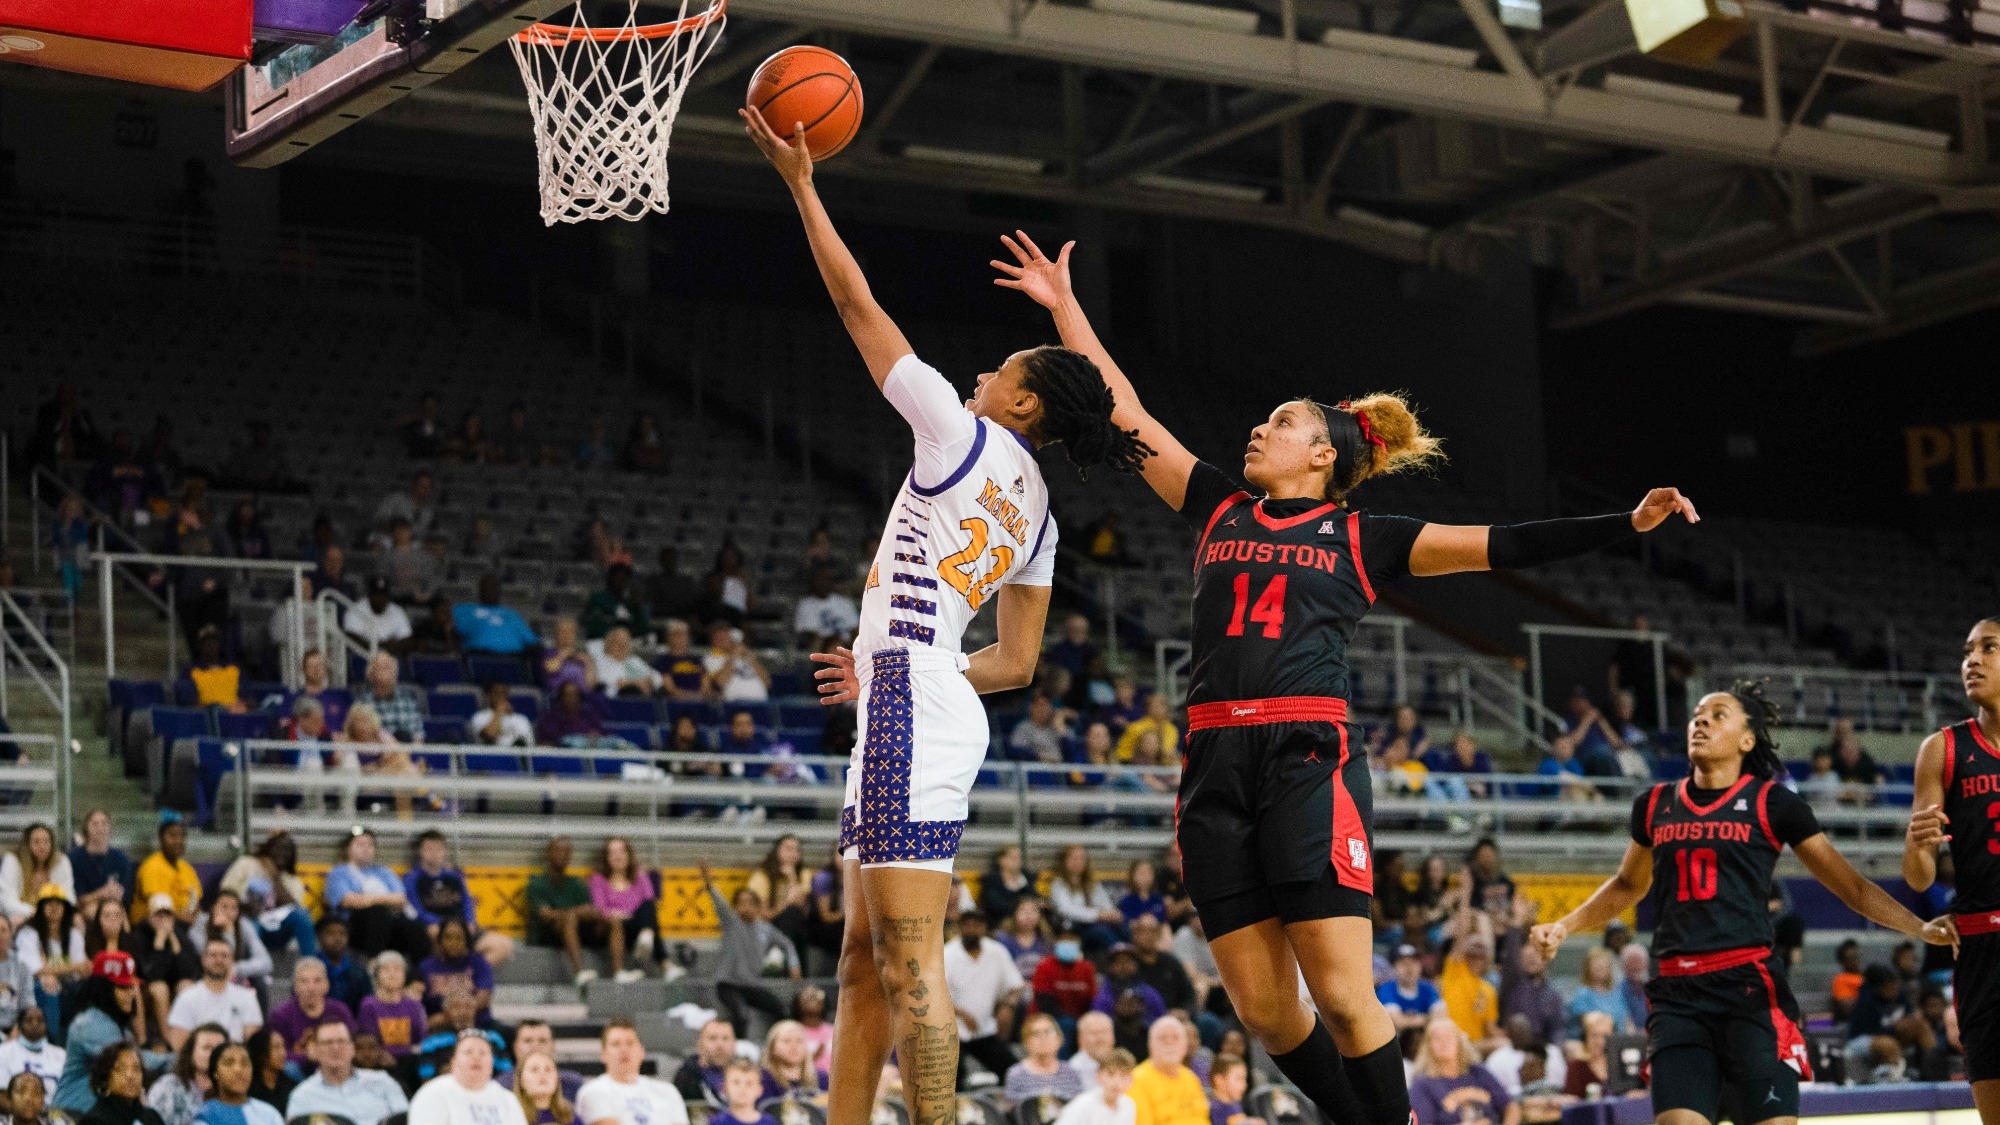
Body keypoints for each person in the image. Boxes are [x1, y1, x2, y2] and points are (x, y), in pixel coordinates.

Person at [1000, 228, 1709, 1125]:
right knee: (1264, 1011)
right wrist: (1065, 307)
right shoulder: (1216, 500)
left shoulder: (1366, 537)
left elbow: (1507, 545)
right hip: (1213, 759)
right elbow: (1120, 406)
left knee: (1340, 994)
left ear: (1324, 455)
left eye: (1282, 422)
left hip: (1307, 754)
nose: (1260, 427)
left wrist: (1626, 521)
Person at [741, 104, 1141, 1125]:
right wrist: (901, 667)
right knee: (865, 961)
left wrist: (801, 185)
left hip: (914, 705)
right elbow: (1012, 663)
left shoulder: (957, 439)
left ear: (1020, 405)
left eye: (998, 371)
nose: (978, 375)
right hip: (923, 698)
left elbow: (851, 301)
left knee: (910, 968)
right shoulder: (1040, 513)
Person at [1533, 680, 1953, 1125]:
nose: (1701, 722)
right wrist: (1565, 924)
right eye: (1697, 715)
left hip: (1749, 989)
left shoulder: (1773, 804)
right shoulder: (1654, 804)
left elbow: (1852, 887)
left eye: (1717, 716)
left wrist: (1919, 927)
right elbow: (1625, 886)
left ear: (1747, 739)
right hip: (1678, 994)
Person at [1904, 616, 2000, 1120]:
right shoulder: (1942, 748)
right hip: (1981, 945)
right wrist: (1918, 846)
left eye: (1988, 648)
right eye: (1967, 651)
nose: (1972, 661)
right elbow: (1919, 877)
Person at [697, 863, 795, 1035]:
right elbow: (719, 902)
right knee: (741, 1015)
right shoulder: (732, 922)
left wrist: (794, 964)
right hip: (728, 985)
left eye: (750, 903)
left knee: (783, 1010)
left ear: (758, 907)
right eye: (741, 903)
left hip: (752, 985)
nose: (746, 907)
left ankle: (776, 1043)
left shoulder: (765, 929)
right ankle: (739, 1048)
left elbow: (786, 943)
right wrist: (709, 883)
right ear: (735, 907)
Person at [55, 956, 158, 1116]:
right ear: (104, 989)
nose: (130, 994)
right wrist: (177, 1059)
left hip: (97, 1114)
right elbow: (128, 1060)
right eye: (122, 988)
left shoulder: (123, 1030)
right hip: (70, 1113)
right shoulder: (88, 1023)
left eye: (131, 987)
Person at [407, 832, 515, 968]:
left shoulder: (455, 877)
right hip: (435, 927)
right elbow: (415, 909)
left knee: (504, 945)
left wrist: (470, 922)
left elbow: (467, 903)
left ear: (444, 851)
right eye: (429, 849)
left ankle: (468, 976)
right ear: (421, 851)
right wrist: (442, 924)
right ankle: (444, 974)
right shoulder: (412, 878)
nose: (434, 853)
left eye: (438, 849)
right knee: (435, 933)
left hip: (462, 926)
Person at [321, 828, 429, 963]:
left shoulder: (384, 872)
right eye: (360, 844)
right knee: (378, 912)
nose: (366, 848)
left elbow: (401, 899)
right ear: (348, 849)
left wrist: (369, 898)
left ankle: (421, 974)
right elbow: (348, 900)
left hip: (388, 923)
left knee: (413, 927)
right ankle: (373, 963)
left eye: (370, 845)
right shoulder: (339, 873)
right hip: (354, 926)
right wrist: (384, 900)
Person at [943, 909, 1025, 1083]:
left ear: (984, 928)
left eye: (977, 925)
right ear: (960, 927)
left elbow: (1016, 986)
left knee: (1013, 1073)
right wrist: (962, 1014)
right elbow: (934, 996)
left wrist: (1007, 1006)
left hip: (985, 1028)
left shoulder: (997, 951)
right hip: (951, 1030)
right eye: (967, 925)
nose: (972, 929)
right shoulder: (947, 954)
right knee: (952, 1080)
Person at [283, 1020, 406, 1125]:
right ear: (316, 1050)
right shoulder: (302, 1096)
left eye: (341, 1041)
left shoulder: (383, 1081)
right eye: (327, 1043)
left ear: (352, 1048)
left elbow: (406, 1119)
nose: (335, 1048)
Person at [526, 838, 606, 987]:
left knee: (610, 920)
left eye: (567, 852)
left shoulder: (575, 883)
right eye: (558, 850)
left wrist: (588, 913)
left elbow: (589, 910)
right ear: (548, 854)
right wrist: (575, 913)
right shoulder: (536, 883)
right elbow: (545, 915)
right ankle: (579, 972)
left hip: (575, 931)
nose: (562, 855)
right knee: (569, 918)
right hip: (546, 934)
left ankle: (618, 973)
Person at [576, 1019, 687, 1125]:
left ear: (642, 1051)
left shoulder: (668, 1091)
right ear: (603, 1054)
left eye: (630, 1043)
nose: (624, 1050)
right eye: (616, 1044)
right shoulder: (593, 1091)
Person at [1407, 1018, 1514, 1125]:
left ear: (1460, 1042)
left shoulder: (1478, 1071)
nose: (1444, 1043)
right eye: (1437, 1038)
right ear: (1428, 1046)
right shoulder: (1422, 1084)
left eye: (1448, 1037)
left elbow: (1510, 1107)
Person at [408, 1034, 528, 1125]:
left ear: (492, 1063)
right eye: (468, 1052)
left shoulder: (507, 1098)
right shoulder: (432, 1093)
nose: (476, 1057)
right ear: (453, 1062)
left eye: (483, 1053)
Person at [166, 941, 261, 1049]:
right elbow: (177, 1045)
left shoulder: (247, 997)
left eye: (224, 956)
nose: (219, 960)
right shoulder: (187, 998)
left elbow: (254, 1043)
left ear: (232, 961)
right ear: (203, 960)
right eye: (213, 955)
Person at [589, 839, 658, 985]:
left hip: (637, 926)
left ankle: (647, 936)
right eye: (613, 853)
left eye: (621, 851)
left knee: (648, 909)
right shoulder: (598, 879)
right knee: (644, 925)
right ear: (606, 858)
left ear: (628, 854)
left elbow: (649, 903)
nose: (618, 856)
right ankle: (665, 963)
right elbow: (600, 909)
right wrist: (615, 914)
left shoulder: (640, 876)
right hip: (612, 928)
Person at [264, 958, 353, 1069]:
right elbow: (276, 1051)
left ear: (327, 985)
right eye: (304, 981)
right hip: (298, 1071)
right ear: (295, 986)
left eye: (317, 981)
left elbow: (351, 1043)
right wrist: (307, 1057)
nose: (311, 987)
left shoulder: (340, 1011)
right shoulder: (280, 1015)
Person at [18, 887, 83, 1035]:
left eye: (59, 904)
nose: (54, 908)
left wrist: (51, 968)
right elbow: (35, 971)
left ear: (66, 909)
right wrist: (70, 968)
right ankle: (51, 1038)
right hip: (35, 990)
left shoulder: (73, 934)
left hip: (69, 988)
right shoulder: (28, 933)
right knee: (48, 983)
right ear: (40, 908)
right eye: (49, 904)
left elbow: (81, 971)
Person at [188, 894, 272, 997]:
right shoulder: (201, 924)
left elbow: (266, 962)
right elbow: (214, 957)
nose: (229, 912)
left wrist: (236, 969)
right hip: (204, 973)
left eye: (234, 908)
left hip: (235, 977)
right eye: (224, 906)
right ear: (213, 907)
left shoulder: (244, 925)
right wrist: (227, 933)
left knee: (259, 981)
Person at [1127, 1018, 1206, 1125]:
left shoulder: (1191, 1078)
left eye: (1175, 1037)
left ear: (1185, 1045)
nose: (1169, 1042)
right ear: (1150, 1045)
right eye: (1163, 1038)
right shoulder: (1136, 1080)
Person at [1048, 846, 1124, 954]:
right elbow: (1066, 910)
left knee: (1123, 926)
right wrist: (1097, 915)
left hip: (1098, 923)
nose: (1078, 862)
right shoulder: (1059, 884)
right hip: (1074, 929)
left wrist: (1112, 913)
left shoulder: (1092, 883)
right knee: (1102, 933)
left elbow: (1105, 902)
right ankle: (1120, 956)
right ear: (1064, 861)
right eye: (1074, 858)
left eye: (1081, 858)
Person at [417, 920, 495, 1024]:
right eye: (448, 937)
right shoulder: (426, 967)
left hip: (476, 1024)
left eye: (459, 938)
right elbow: (419, 1002)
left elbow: (484, 996)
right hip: (439, 1027)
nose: (453, 942)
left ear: (466, 941)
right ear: (440, 940)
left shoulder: (478, 962)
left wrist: (458, 1015)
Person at [144, 1026, 224, 1125]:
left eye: (218, 1049)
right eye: (206, 1048)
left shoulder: (233, 1092)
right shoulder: (168, 1086)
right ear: (191, 1052)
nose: (212, 1054)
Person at [744, 838, 810, 956]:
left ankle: (780, 956)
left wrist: (792, 879)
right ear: (776, 851)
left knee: (794, 915)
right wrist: (786, 902)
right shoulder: (762, 876)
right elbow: (763, 916)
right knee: (791, 915)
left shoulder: (803, 874)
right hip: (765, 925)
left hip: (794, 926)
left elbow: (803, 911)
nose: (793, 853)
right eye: (788, 848)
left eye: (796, 850)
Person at [355, 951, 426, 1060]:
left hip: (412, 1061)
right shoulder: (368, 1005)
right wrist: (408, 1050)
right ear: (377, 975)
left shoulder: (414, 1005)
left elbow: (422, 1041)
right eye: (386, 969)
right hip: (379, 1062)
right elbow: (370, 1045)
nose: (392, 974)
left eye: (397, 969)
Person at [1, 827, 75, 930]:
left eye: (46, 841)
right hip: (23, 914)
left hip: (54, 915)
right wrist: (34, 912)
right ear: (27, 845)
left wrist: (53, 912)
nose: (42, 846)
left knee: (76, 920)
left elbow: (69, 897)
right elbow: (7, 900)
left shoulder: (61, 862)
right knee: (16, 921)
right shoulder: (13, 861)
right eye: (37, 842)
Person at [455, 577, 542, 659]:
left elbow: (532, 641)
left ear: (499, 590)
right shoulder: (463, 610)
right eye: (487, 587)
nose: (490, 590)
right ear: (480, 589)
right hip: (478, 657)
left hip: (513, 659)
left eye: (494, 587)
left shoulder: (512, 614)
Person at [66, 813, 132, 922]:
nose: (100, 828)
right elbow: (77, 899)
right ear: (86, 828)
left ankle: (125, 938)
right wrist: (101, 893)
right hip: (83, 909)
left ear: (110, 828)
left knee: (117, 913)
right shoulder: (74, 858)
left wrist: (117, 894)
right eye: (95, 824)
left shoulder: (121, 858)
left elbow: (126, 893)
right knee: (98, 912)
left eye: (104, 823)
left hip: (114, 905)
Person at [1006, 1013, 1083, 1105]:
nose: (1043, 1037)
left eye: (1049, 1032)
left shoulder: (1070, 1072)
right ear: (1026, 1042)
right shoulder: (1016, 1074)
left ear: (1059, 1038)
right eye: (1036, 1033)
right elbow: (1011, 1111)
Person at [76, 1045, 161, 1125]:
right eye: (120, 1069)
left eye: (136, 1069)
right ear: (105, 1077)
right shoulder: (93, 1121)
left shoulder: (152, 1117)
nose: (130, 1076)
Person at [1052, 1049, 1136, 1125]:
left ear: (1131, 1080)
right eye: (1111, 1074)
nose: (1117, 1082)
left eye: (1123, 1075)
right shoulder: (1083, 1105)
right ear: (1098, 1076)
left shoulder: (1129, 1105)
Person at [0, 1007, 65, 1102]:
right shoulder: (4, 1052)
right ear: (19, 1026)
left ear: (46, 1025)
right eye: (29, 1021)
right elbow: (2, 1096)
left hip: (55, 1112)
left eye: (40, 1021)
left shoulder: (61, 1054)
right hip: (15, 1114)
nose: (35, 1025)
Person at [1564, 949, 1632, 1037]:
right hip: (1594, 1042)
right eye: (1597, 964)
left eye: (1604, 965)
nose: (1600, 967)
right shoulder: (1583, 994)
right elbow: (1588, 1026)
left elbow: (1627, 1020)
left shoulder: (1617, 994)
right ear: (1588, 968)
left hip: (1620, 1041)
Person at [669, 1020, 737, 1109]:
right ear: (699, 1045)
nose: (720, 1045)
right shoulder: (686, 1079)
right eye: (712, 1038)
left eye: (725, 1038)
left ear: (734, 1044)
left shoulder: (749, 1076)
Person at [1376, 944, 1443, 1032]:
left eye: (1414, 962)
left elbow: (1441, 1016)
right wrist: (1427, 1018)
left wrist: (1409, 1020)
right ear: (1394, 967)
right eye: (1403, 964)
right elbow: (1397, 1022)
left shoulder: (1428, 987)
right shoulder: (1386, 989)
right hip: (1397, 1042)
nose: (1409, 968)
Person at [314, 918, 371, 1012]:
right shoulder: (309, 969)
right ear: (320, 938)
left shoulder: (358, 970)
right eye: (330, 933)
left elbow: (367, 1003)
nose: (337, 939)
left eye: (342, 934)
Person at [758, 1021, 824, 1100]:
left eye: (799, 1041)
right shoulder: (762, 1078)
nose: (794, 1046)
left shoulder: (822, 1077)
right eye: (787, 1041)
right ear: (772, 1048)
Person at [513, 1051, 581, 1125]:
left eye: (548, 1070)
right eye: (534, 1070)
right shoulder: (511, 1114)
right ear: (521, 1080)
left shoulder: (570, 1116)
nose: (542, 1074)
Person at [240, 1033, 289, 1114]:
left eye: (283, 1047)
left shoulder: (291, 1086)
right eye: (276, 1048)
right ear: (261, 1052)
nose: (283, 1053)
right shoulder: (247, 1089)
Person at [715, 1061, 774, 1125]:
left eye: (749, 1083)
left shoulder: (769, 1122)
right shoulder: (717, 1122)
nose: (742, 1088)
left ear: (759, 1090)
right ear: (724, 1088)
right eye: (736, 1082)